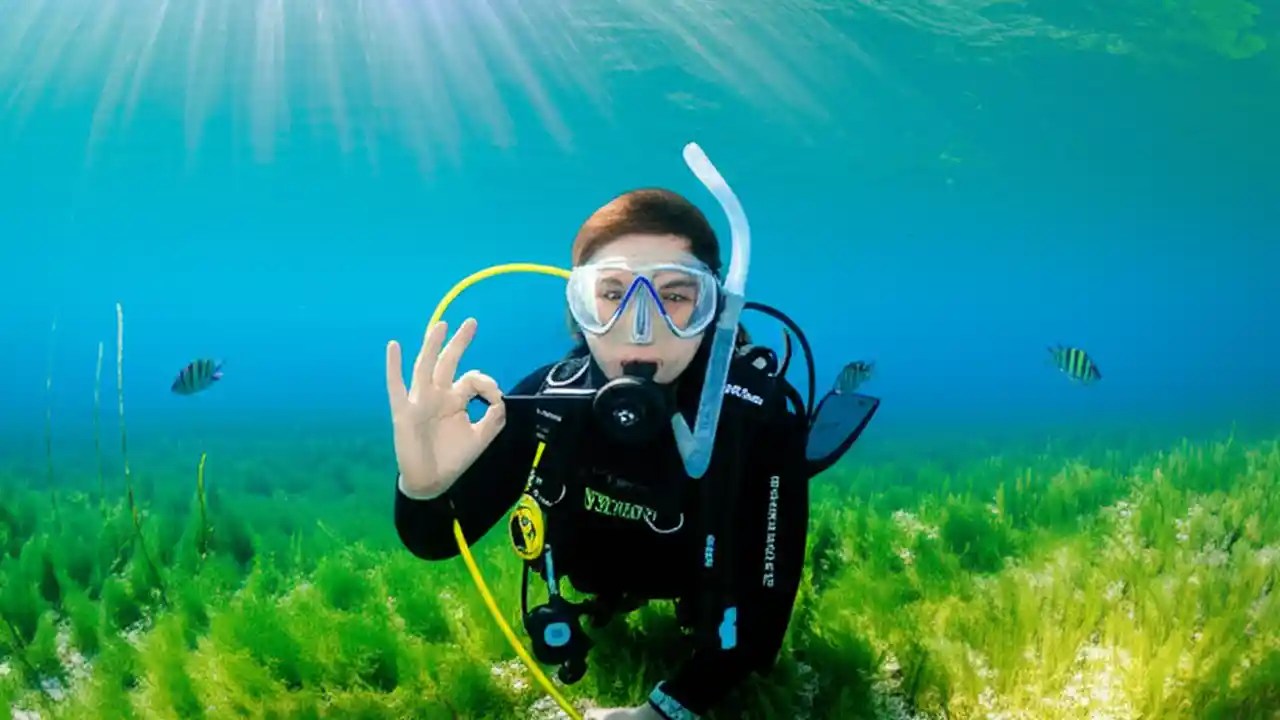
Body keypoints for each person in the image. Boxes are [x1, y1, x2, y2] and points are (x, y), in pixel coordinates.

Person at [386, 181, 878, 719]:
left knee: (716, 604)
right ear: (580, 308)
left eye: (675, 296)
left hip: (697, 581)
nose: (641, 332)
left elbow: (760, 633)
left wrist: (662, 712)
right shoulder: (548, 400)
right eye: (613, 294)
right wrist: (424, 487)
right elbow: (434, 540)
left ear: (712, 312)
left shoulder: (755, 419)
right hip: (599, 580)